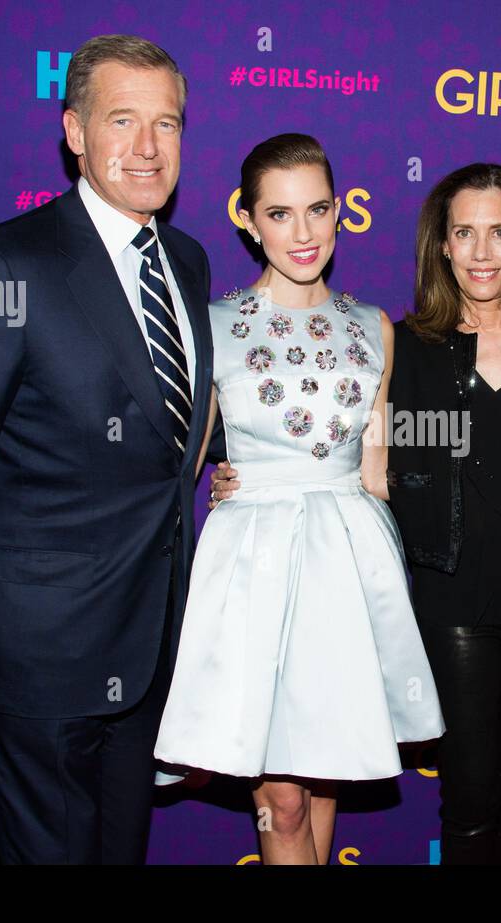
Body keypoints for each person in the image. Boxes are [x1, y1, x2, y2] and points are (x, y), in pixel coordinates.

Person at [213, 163, 501, 865]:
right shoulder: (409, 347)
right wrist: (250, 479)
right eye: (465, 232)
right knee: (466, 786)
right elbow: (357, 456)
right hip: (450, 597)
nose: (483, 251)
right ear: (442, 245)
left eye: (499, 232)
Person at [0, 35, 212, 864]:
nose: (147, 148)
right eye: (122, 120)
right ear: (74, 131)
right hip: (38, 660)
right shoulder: (1, 266)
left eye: (166, 124)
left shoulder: (187, 259)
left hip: (150, 649)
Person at [152, 133, 444, 866]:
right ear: (247, 220)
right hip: (252, 568)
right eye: (280, 214)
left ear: (340, 210)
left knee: (320, 780)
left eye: (317, 209)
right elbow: (182, 467)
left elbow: (376, 474)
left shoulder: (374, 326)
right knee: (280, 802)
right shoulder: (212, 328)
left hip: (347, 568)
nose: (304, 233)